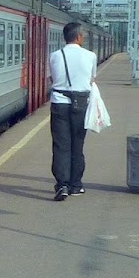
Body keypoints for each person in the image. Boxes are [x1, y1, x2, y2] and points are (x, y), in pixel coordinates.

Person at [48, 22, 97, 200]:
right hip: (81, 104)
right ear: (78, 37)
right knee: (77, 145)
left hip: (59, 103)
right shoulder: (91, 56)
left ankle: (62, 185)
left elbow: (53, 77)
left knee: (61, 146)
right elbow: (91, 79)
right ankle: (76, 185)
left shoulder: (54, 56)